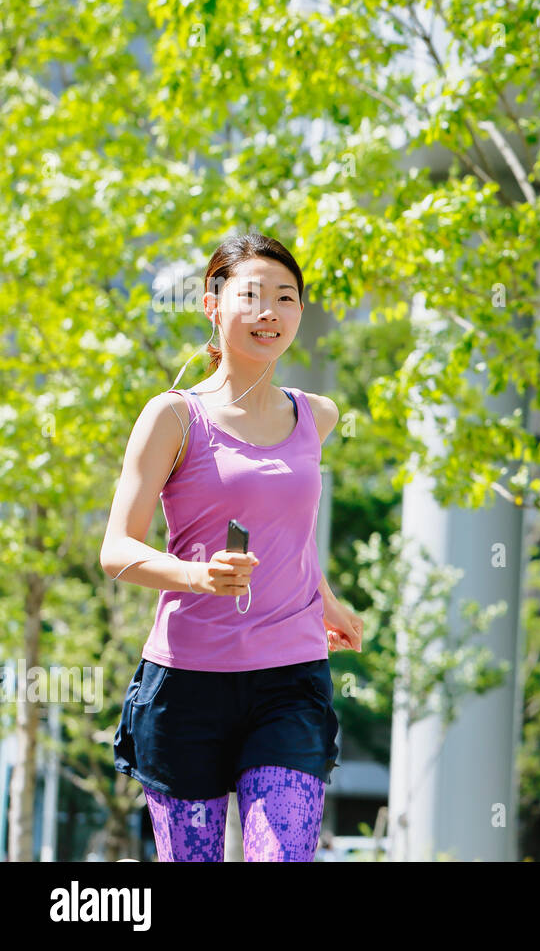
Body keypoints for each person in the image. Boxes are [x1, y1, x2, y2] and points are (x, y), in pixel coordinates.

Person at [100, 231, 364, 861]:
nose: (269, 312)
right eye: (251, 295)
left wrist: (324, 598)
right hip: (187, 684)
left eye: (286, 297)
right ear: (213, 305)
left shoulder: (316, 415)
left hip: (289, 680)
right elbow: (116, 550)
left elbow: (288, 532)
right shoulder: (173, 416)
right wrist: (198, 578)